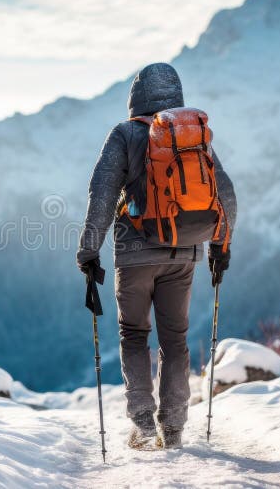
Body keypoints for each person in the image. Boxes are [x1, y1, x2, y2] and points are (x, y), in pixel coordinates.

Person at [76, 63, 237, 449]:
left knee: (134, 335)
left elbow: (101, 195)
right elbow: (225, 194)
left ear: (136, 97)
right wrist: (220, 246)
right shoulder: (189, 136)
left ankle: (143, 421)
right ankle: (175, 425)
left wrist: (88, 250)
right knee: (175, 340)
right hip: (184, 253)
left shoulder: (125, 134)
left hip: (133, 257)